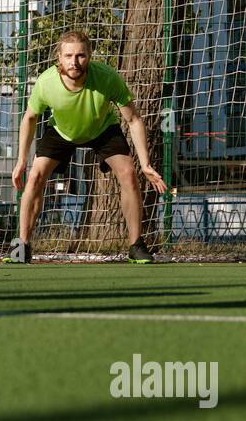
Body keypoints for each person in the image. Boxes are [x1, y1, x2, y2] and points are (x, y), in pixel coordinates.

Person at [9, 31, 167, 263]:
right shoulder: (46, 82)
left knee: (129, 174)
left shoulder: (106, 78)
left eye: (81, 56)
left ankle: (136, 245)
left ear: (90, 56)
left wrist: (145, 164)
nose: (74, 62)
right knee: (34, 176)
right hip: (62, 131)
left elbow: (133, 119)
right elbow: (30, 118)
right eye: (69, 56)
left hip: (102, 129)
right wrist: (21, 160)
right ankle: (21, 247)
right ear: (59, 58)